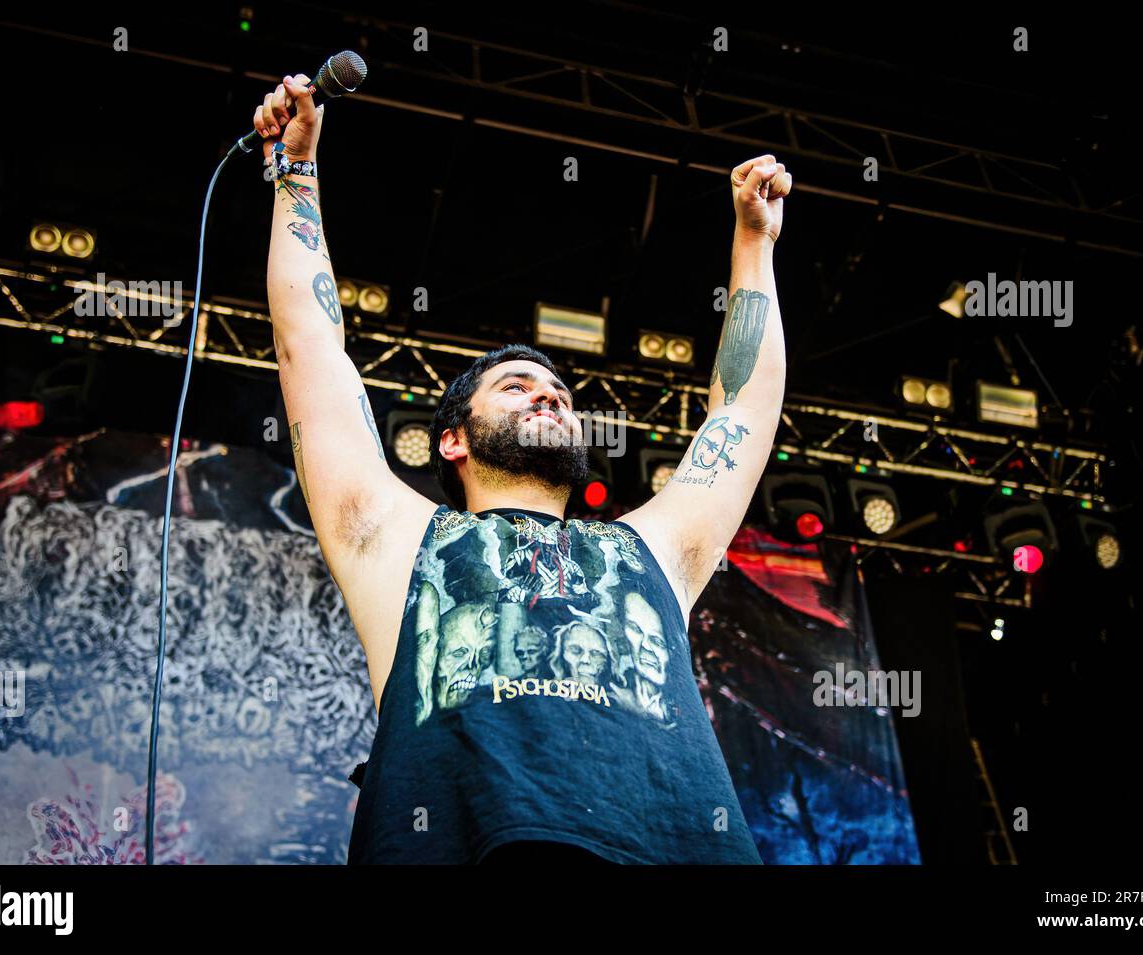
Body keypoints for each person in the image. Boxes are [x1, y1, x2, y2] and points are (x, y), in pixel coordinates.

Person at [255, 74, 790, 864]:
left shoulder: (649, 552)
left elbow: (741, 412)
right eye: (516, 386)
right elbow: (310, 344)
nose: (548, 395)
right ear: (452, 440)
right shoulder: (398, 541)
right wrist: (295, 171)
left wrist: (754, 243)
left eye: (560, 393)